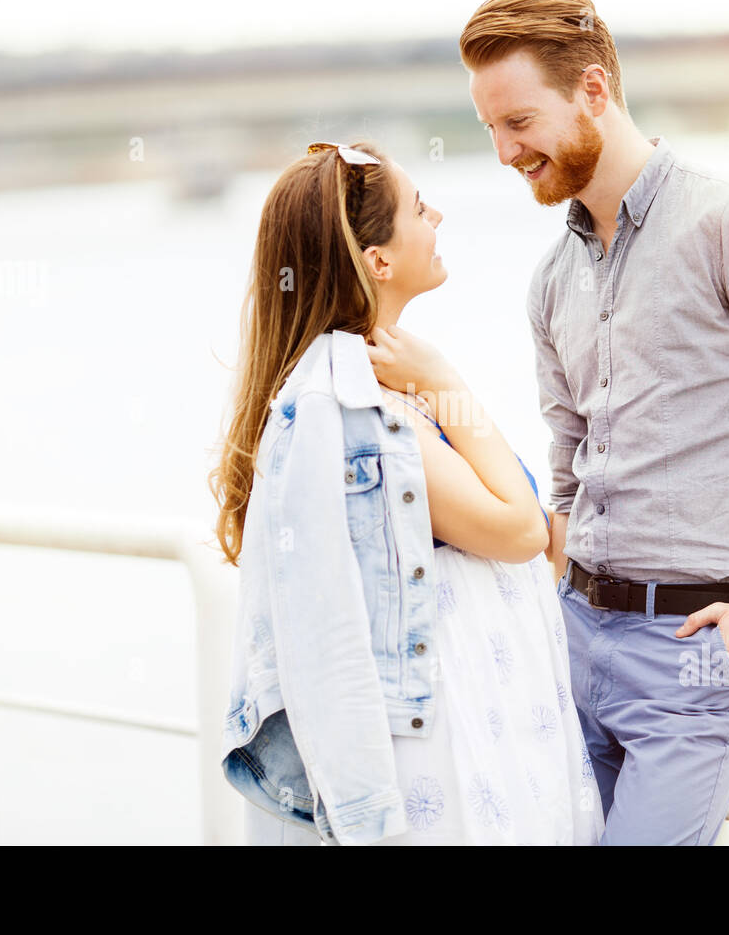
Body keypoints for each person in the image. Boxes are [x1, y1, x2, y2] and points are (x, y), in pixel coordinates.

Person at [458, 0, 729, 844]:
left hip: (696, 651)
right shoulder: (550, 279)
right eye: (489, 129)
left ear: (593, 90)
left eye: (518, 123)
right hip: (573, 639)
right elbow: (570, 461)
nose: (504, 151)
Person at [209, 139, 604, 845]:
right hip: (436, 764)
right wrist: (444, 381)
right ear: (378, 261)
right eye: (420, 209)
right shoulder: (367, 409)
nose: (439, 216)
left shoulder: (337, 389)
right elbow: (523, 531)